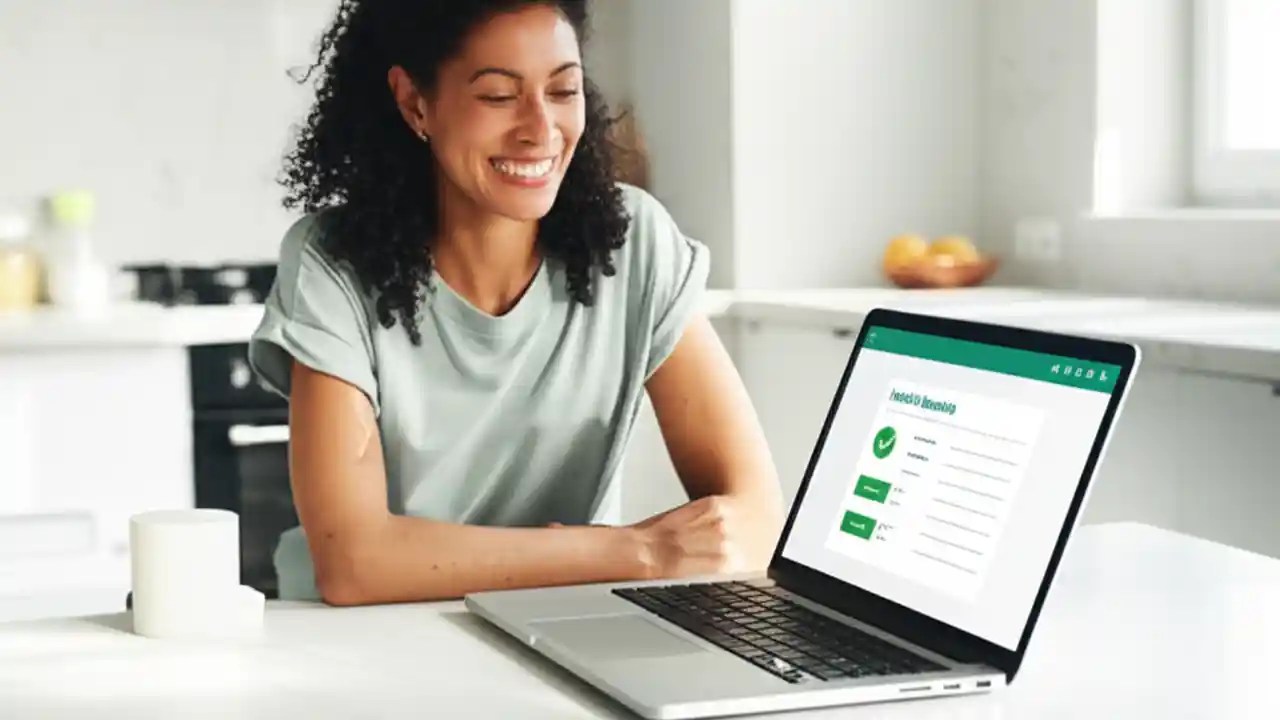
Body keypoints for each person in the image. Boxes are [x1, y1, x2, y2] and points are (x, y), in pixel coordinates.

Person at [248, 0, 784, 605]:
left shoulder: (633, 245)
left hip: (558, 622)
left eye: (563, 90)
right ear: (414, 102)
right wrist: (637, 551)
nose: (541, 128)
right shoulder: (332, 263)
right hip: (361, 637)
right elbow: (353, 563)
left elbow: (756, 512)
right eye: (499, 96)